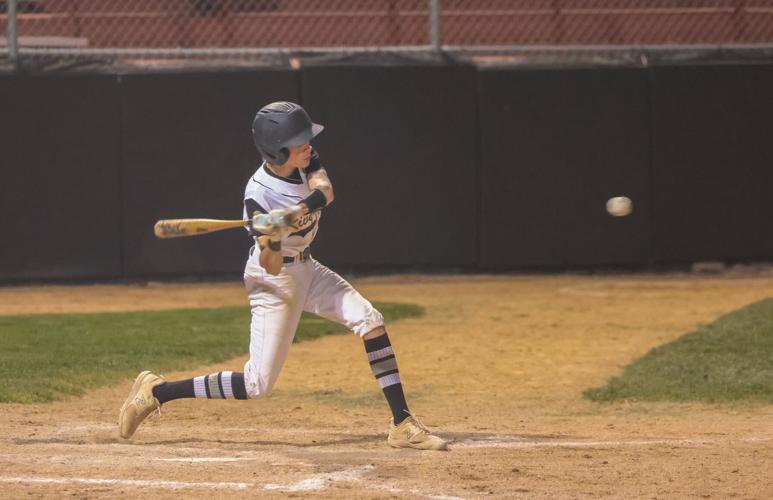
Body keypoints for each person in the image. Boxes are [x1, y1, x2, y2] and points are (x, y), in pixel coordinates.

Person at [118, 101, 447, 451]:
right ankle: (158, 391)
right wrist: (271, 240)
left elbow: (326, 192)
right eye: (299, 141)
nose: (308, 145)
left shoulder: (307, 160)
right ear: (278, 149)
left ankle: (402, 423)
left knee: (370, 320)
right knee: (256, 385)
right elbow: (272, 265)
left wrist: (292, 214)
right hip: (273, 281)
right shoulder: (257, 198)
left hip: (309, 268)